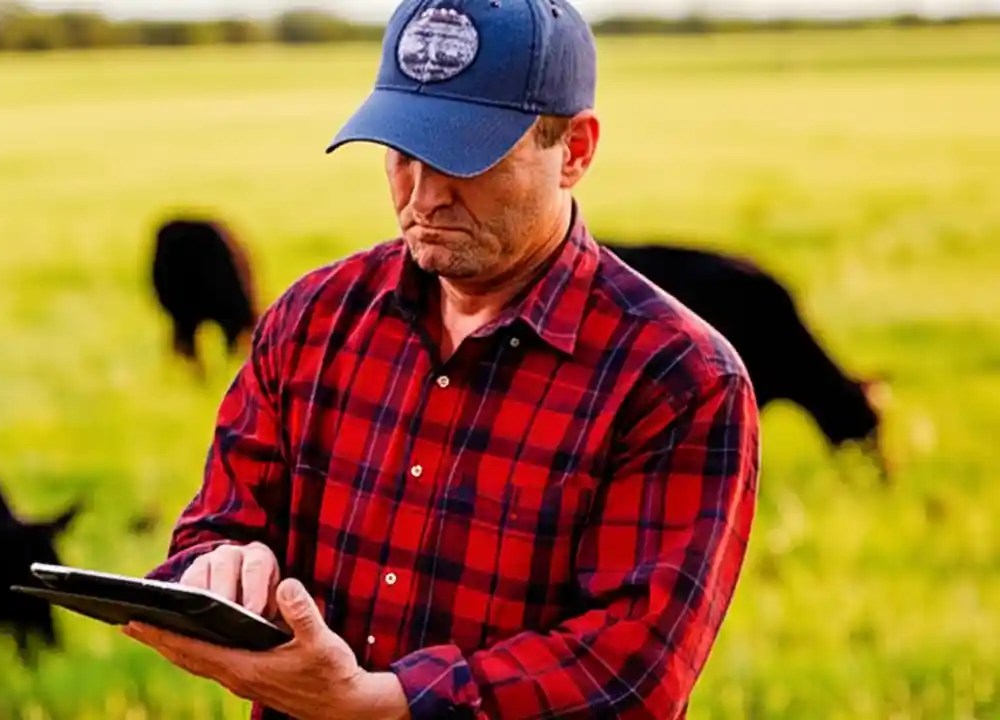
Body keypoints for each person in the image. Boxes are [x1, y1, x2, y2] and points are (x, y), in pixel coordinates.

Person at [122, 0, 761, 718]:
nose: (424, 196)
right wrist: (224, 570)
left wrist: (385, 703)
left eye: (466, 156)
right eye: (402, 152)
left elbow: (630, 669)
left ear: (575, 150)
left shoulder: (677, 378)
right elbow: (212, 526)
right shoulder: (311, 320)